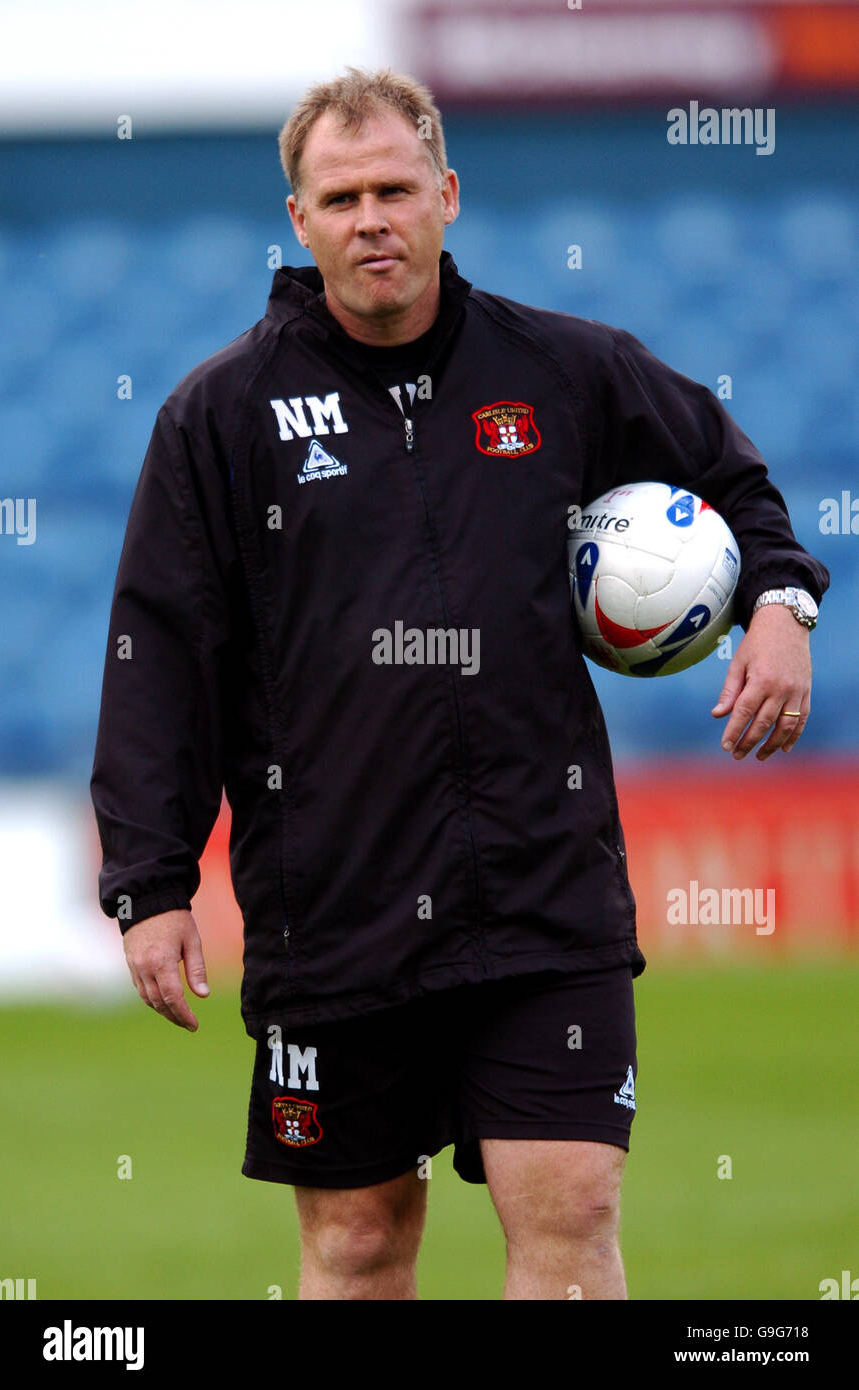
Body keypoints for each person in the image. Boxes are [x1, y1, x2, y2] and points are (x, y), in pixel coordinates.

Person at [89, 66, 829, 1300]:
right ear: (298, 221)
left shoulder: (564, 369)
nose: (369, 218)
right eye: (339, 197)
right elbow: (161, 654)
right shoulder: (218, 418)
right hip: (329, 907)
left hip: (542, 893)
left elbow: (734, 482)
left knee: (572, 1208)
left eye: (393, 189)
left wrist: (779, 604)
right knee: (359, 1241)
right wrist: (147, 882)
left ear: (446, 195)